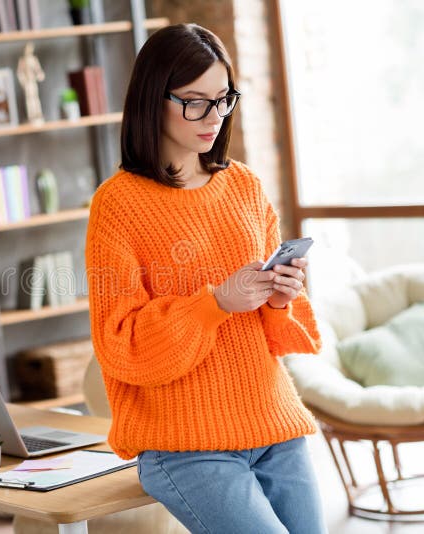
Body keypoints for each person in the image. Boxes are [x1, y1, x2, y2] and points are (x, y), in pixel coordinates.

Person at [85, 23, 327, 534]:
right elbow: (119, 343)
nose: (214, 117)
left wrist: (281, 298)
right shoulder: (118, 204)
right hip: (186, 447)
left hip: (275, 426)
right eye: (195, 102)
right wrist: (214, 301)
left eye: (223, 99)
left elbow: (280, 334)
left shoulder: (243, 185)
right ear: (154, 99)